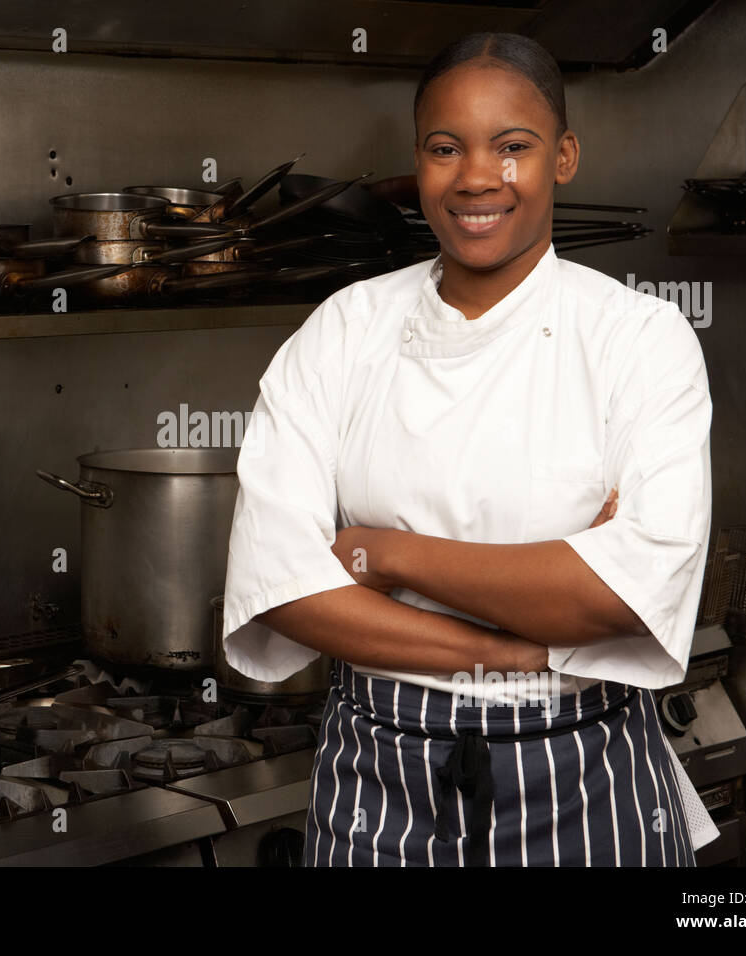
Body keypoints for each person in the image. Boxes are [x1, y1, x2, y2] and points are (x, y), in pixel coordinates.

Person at [220, 31, 719, 866]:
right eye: (445, 149)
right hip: (378, 777)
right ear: (418, 163)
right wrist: (523, 638)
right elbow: (283, 591)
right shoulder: (346, 329)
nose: (477, 178)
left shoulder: (641, 338)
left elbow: (627, 596)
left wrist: (383, 554)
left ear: (562, 157)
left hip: (584, 771)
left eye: (512, 147)